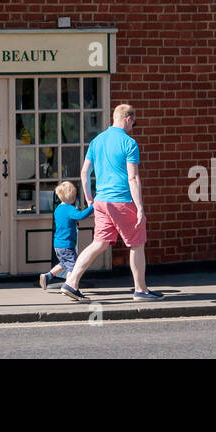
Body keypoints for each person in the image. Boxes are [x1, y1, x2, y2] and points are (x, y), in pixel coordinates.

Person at [61, 103, 163, 301]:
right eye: (133, 122)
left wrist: (90, 198)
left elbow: (84, 173)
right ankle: (140, 290)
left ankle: (71, 283)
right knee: (136, 244)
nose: (133, 126)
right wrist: (140, 207)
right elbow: (133, 178)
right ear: (128, 119)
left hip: (101, 201)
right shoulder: (129, 143)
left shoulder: (96, 141)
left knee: (99, 243)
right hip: (122, 201)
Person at [39, 180, 95, 290]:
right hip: (67, 244)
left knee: (64, 263)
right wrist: (93, 207)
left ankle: (47, 276)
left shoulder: (58, 209)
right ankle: (69, 286)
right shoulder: (70, 209)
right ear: (73, 197)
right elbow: (81, 216)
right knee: (73, 267)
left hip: (58, 244)